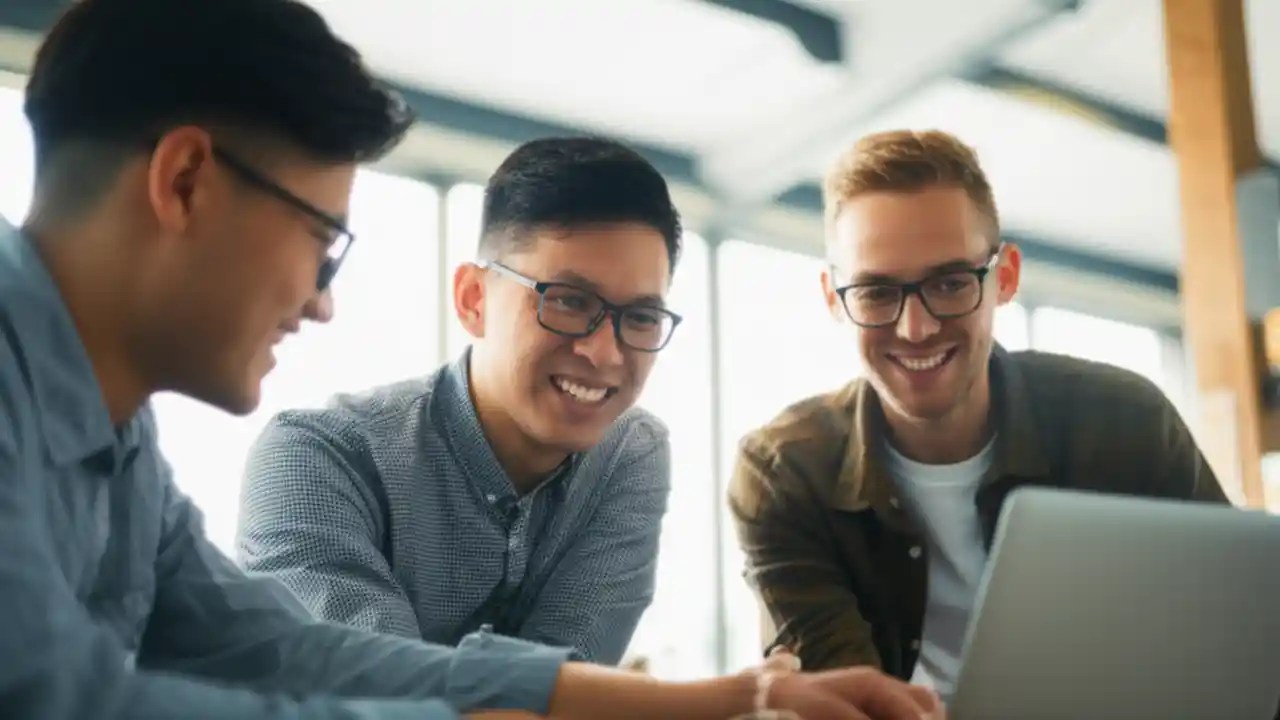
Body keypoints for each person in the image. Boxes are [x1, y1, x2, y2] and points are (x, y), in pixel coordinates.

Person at [0, 0, 944, 718]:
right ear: (187, 181)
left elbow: (301, 653)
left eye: (638, 317)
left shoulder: (123, 452)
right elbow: (68, 700)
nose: (321, 300)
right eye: (321, 240)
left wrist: (733, 698)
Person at [727, 129, 1228, 704]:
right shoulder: (785, 472)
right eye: (875, 292)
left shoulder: (1127, 422)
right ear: (834, 299)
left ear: (1005, 277)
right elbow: (849, 706)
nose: (916, 328)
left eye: (949, 283)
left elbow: (1239, 621)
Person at [237, 136, 678, 665]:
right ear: (474, 299)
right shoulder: (318, 459)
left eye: (642, 317)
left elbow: (568, 690)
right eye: (567, 302)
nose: (604, 352)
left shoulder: (629, 452)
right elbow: (385, 698)